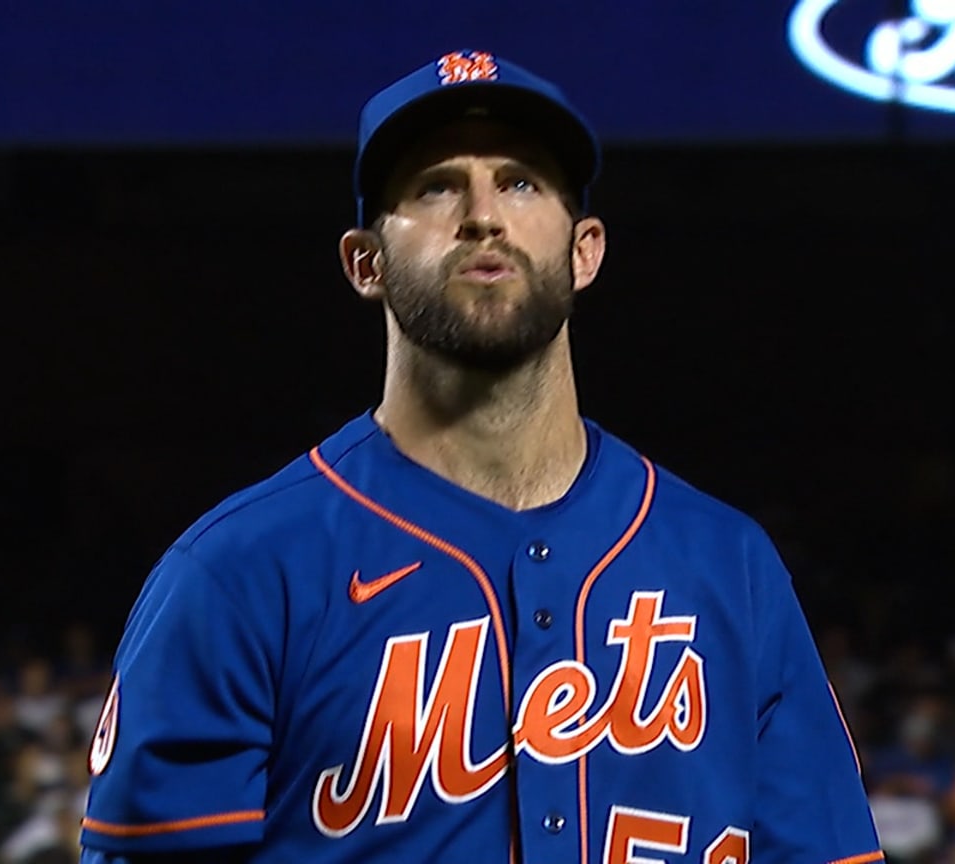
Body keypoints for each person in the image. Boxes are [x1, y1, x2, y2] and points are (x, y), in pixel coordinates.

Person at [78, 51, 882, 864]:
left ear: (585, 250)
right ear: (365, 262)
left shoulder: (730, 566)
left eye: (520, 183)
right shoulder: (237, 575)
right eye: (436, 186)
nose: (483, 216)